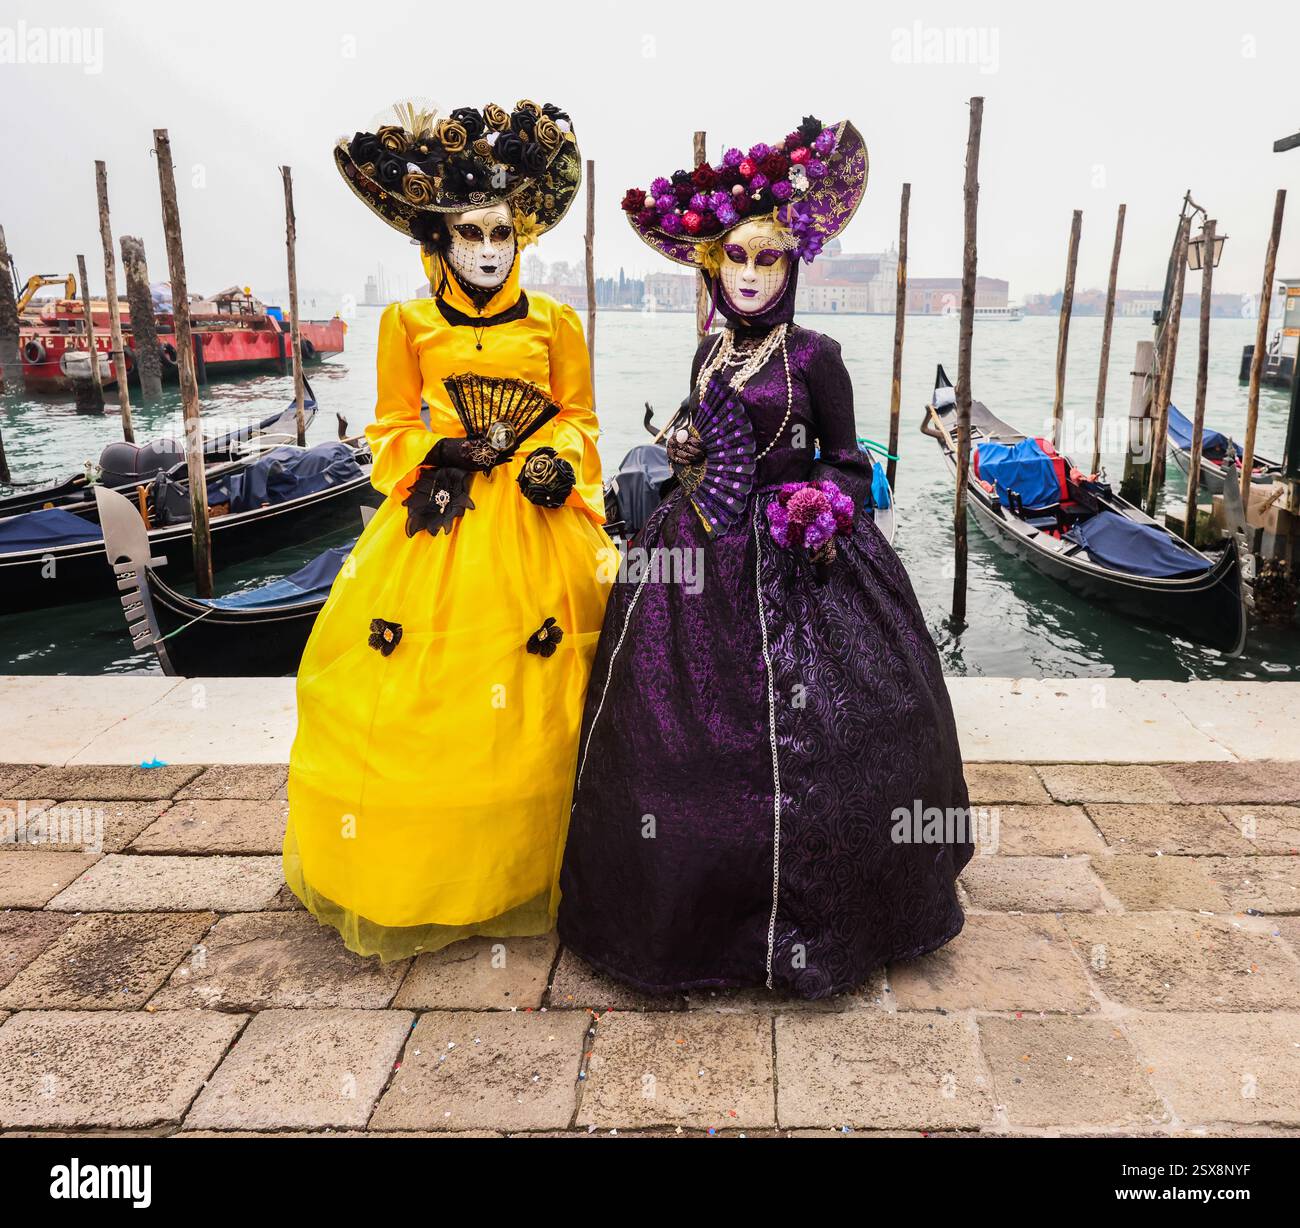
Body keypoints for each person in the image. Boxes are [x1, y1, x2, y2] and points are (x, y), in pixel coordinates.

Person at [558, 115, 972, 998]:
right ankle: (693, 913)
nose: (749, 275)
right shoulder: (712, 348)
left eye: (767, 259)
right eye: (735, 260)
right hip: (700, 547)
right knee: (677, 726)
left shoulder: (818, 357)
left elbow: (851, 463)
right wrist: (684, 453)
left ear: (792, 265)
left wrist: (820, 503)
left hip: (798, 558)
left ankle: (827, 915)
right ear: (714, 267)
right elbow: (703, 431)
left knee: (830, 734)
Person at [285, 99, 610, 961]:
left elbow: (579, 419)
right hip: (438, 520)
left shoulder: (556, 324)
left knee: (541, 688)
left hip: (536, 527)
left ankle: (532, 860)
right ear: (440, 241)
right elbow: (386, 430)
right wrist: (442, 448)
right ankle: (428, 865)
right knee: (420, 692)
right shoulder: (407, 324)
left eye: (501, 234)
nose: (487, 251)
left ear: (520, 237)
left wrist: (557, 463)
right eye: (470, 234)